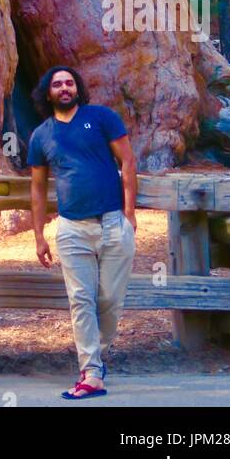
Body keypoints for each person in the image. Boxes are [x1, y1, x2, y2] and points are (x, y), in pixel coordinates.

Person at [28, 65, 137, 400]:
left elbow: (128, 162)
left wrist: (129, 214)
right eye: (57, 84)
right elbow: (37, 187)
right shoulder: (41, 135)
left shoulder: (102, 118)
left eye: (69, 83)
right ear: (48, 93)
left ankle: (96, 357)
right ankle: (90, 371)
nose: (64, 88)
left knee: (109, 300)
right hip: (72, 228)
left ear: (77, 89)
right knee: (80, 300)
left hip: (112, 223)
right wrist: (38, 235)